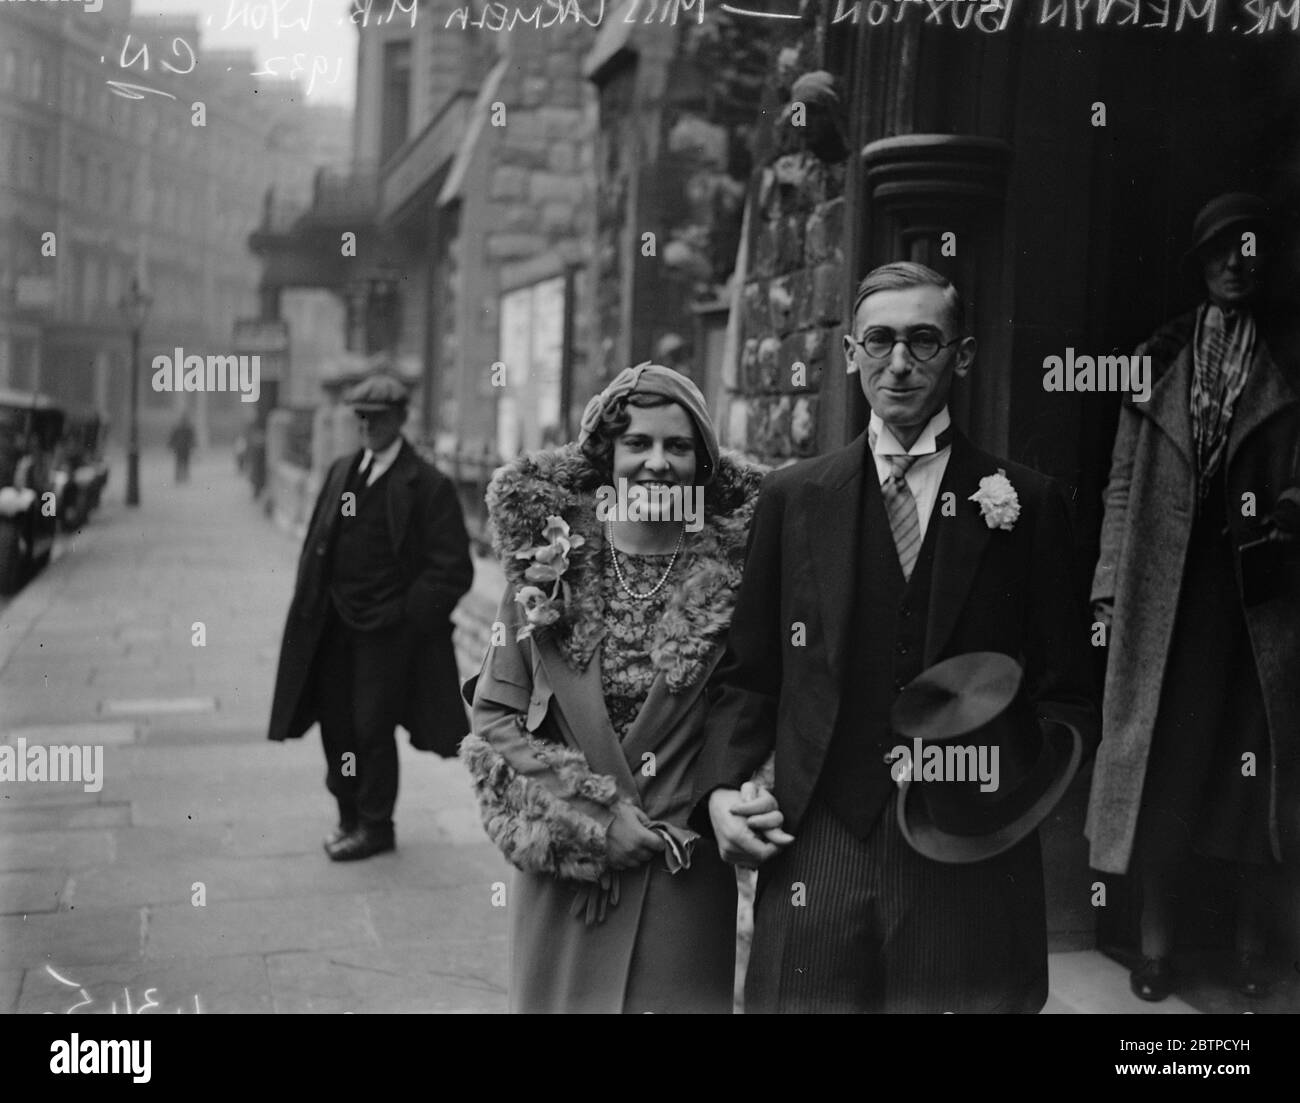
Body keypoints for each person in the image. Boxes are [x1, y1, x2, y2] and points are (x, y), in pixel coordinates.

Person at [691, 261, 1099, 1013]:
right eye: (879, 341)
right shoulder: (793, 496)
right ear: (851, 354)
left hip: (967, 852)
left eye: (923, 340)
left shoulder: (1029, 504)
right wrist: (720, 791)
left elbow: (1067, 695)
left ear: (962, 356)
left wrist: (1003, 799)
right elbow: (748, 675)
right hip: (820, 837)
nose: (900, 362)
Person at [461, 363, 765, 1013]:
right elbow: (495, 721)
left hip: (680, 877)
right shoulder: (544, 567)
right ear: (607, 456)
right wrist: (592, 821)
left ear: (702, 463)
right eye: (637, 443)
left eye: (677, 446)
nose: (657, 462)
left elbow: (758, 710)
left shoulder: (738, 578)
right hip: (569, 878)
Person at [1086, 193, 1300, 1001]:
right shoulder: (1158, 357)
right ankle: (1156, 949)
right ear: (1200, 262)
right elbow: (1120, 484)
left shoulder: (1288, 362)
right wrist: (1110, 589)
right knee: (1163, 776)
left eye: (1250, 250)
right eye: (1221, 250)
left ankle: (1251, 951)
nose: (1236, 264)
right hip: (1164, 601)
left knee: (1248, 780)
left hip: (1255, 606)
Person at [267, 372, 474, 861]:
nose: (366, 426)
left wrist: (405, 617)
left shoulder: (427, 484)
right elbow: (320, 542)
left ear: (400, 419)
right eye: (360, 417)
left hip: (387, 635)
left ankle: (376, 825)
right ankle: (348, 815)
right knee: (337, 724)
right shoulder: (344, 472)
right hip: (334, 626)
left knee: (372, 728)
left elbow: (452, 570)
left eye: (377, 418)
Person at [168, 413, 195, 484]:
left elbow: (191, 439)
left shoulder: (185, 429)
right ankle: (181, 477)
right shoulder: (184, 429)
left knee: (182, 463)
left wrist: (170, 445)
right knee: (182, 463)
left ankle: (182, 477)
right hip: (182, 448)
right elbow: (173, 437)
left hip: (183, 448)